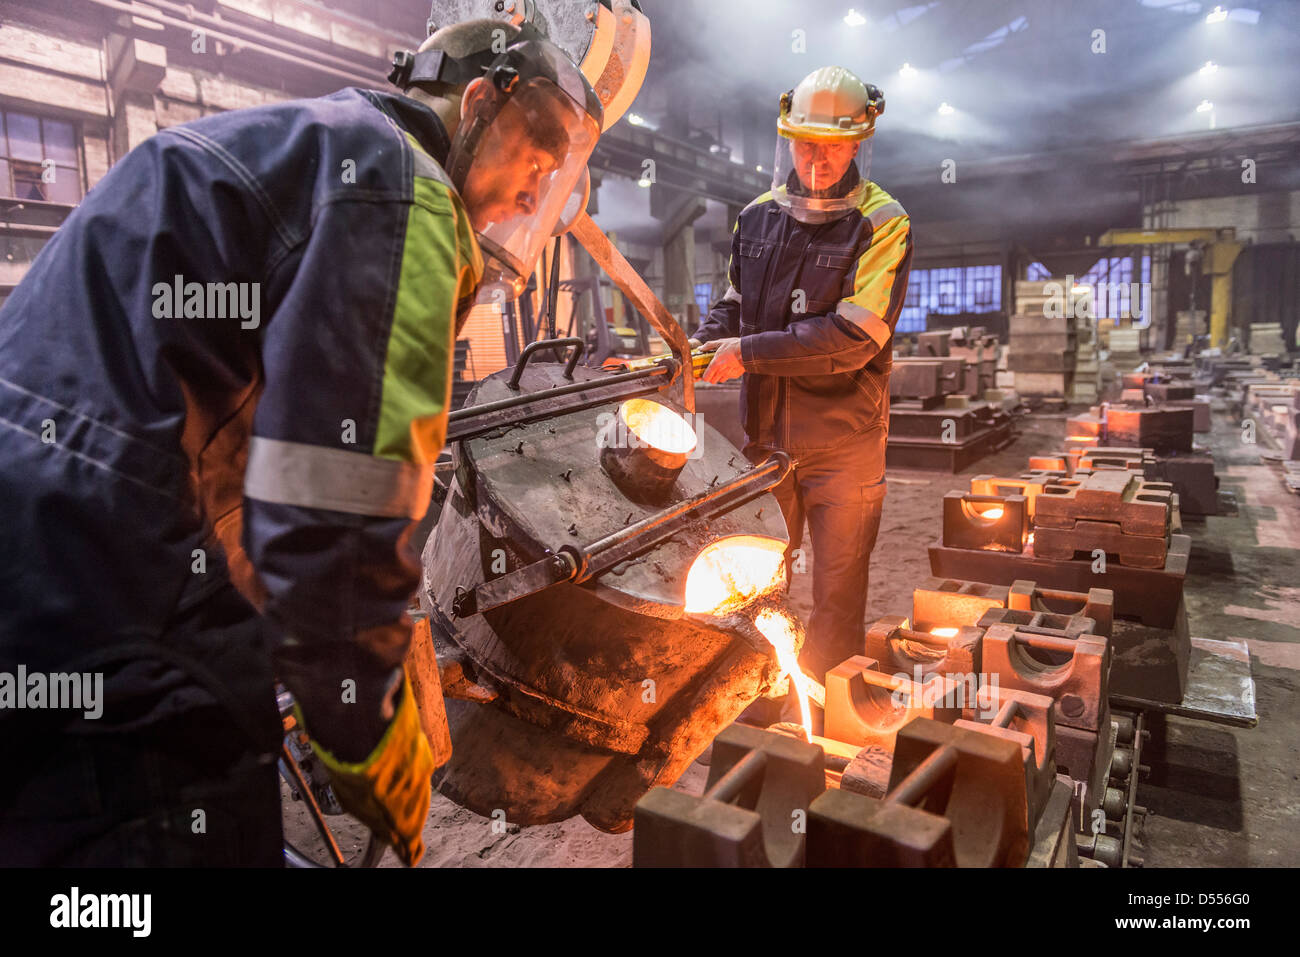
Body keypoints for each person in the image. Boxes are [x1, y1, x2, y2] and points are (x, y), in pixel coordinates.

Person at [0, 19, 601, 866]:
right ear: (475, 105)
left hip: (40, 576)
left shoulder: (295, 150)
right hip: (117, 599)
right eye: (532, 172)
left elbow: (249, 450)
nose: (529, 204)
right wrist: (363, 715)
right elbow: (332, 504)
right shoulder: (403, 188)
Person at [693, 66, 914, 703]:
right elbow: (733, 302)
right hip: (765, 444)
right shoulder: (757, 218)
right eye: (804, 143)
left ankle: (823, 715)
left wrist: (747, 355)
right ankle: (755, 699)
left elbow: (851, 341)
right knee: (754, 581)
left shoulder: (882, 222)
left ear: (858, 145)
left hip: (844, 445)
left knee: (837, 592)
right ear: (787, 140)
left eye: (833, 145)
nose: (817, 159)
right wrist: (703, 344)